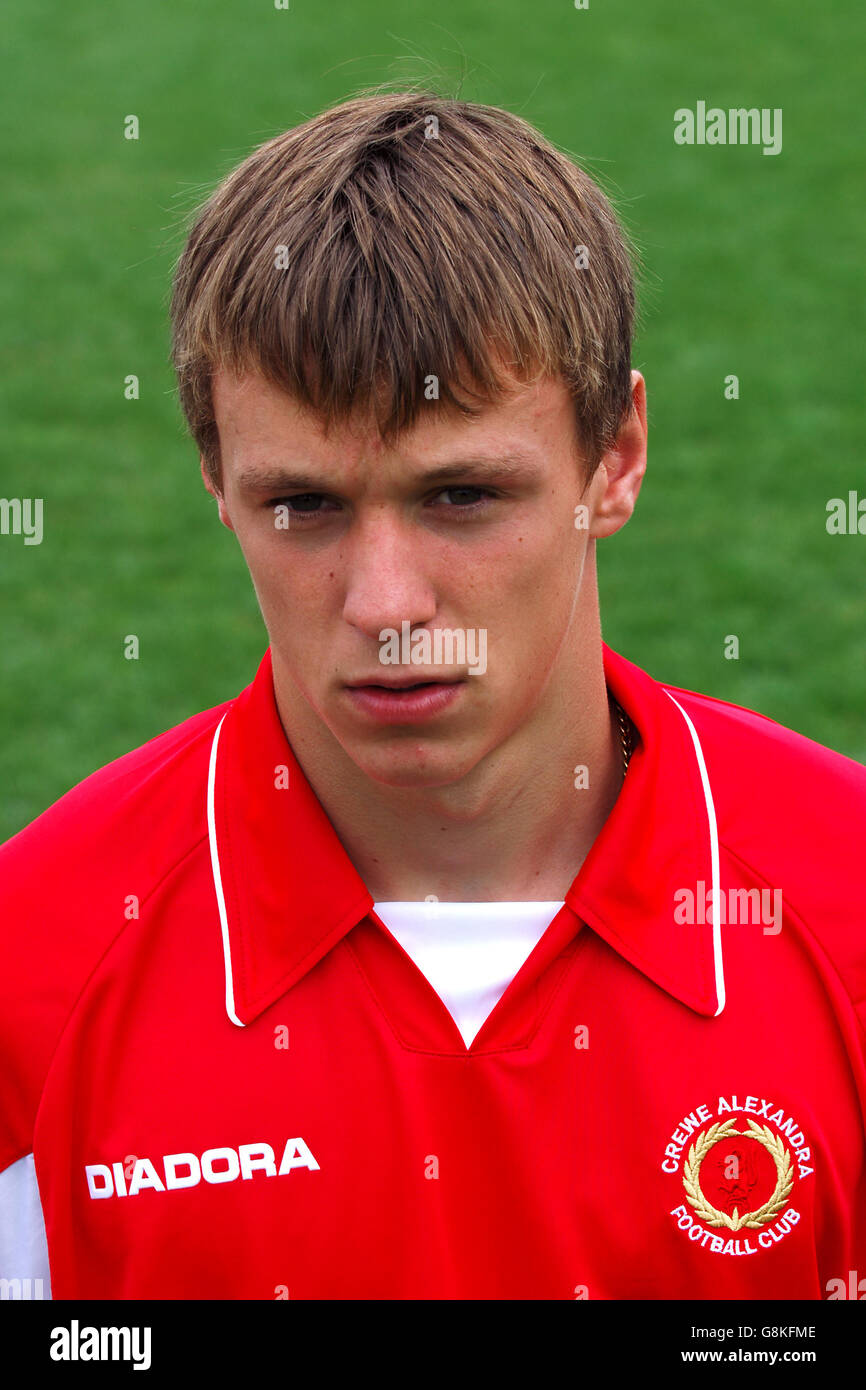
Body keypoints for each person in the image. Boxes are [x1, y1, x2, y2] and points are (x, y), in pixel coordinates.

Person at [1, 91, 863, 1301]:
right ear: (215, 481)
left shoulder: (843, 908)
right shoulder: (33, 967)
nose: (384, 602)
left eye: (460, 497)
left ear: (612, 458)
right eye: (303, 506)